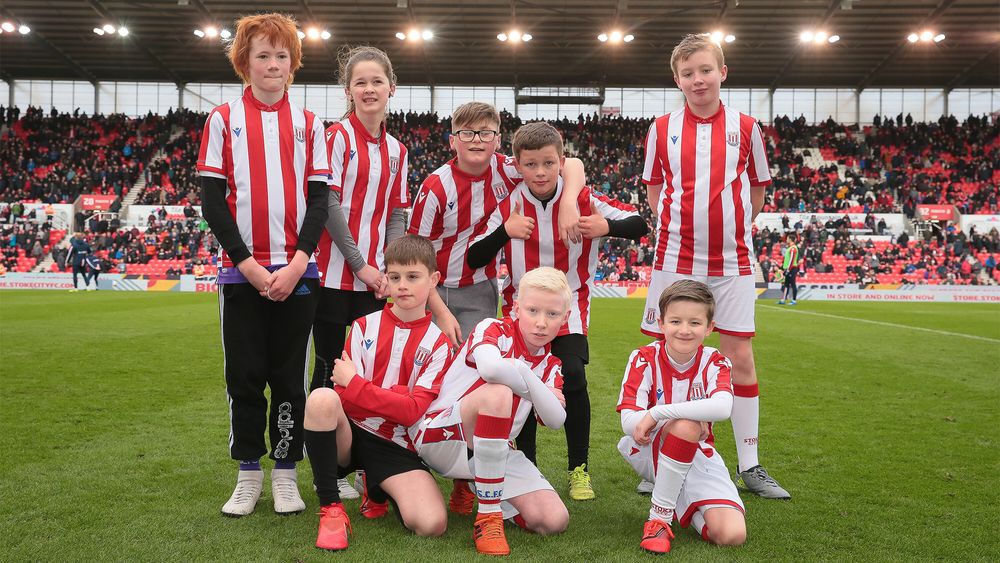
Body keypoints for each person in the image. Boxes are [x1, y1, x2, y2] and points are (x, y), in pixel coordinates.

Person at [639, 33, 789, 499]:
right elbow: (653, 189)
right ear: (677, 80)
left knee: (739, 356)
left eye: (705, 70)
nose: (697, 79)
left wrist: (734, 228)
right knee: (670, 357)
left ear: (722, 72)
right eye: (688, 73)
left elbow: (759, 189)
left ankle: (750, 464)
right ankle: (663, 460)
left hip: (734, 260)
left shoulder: (747, 127)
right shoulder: (661, 128)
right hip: (675, 258)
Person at [467, 122, 648, 501]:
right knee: (522, 382)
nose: (541, 172)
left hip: (570, 310)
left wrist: (606, 225)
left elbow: (639, 225)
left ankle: (578, 469)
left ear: (561, 161)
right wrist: (506, 232)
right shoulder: (510, 203)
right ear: (518, 165)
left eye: (549, 163)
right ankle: (528, 464)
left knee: (573, 377)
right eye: (531, 164)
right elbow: (474, 256)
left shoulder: (582, 197)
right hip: (522, 312)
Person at [196, 13, 330, 518]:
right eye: (262, 55)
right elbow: (213, 200)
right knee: (245, 375)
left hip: (298, 274)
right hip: (241, 274)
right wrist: (248, 265)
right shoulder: (221, 120)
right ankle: (248, 472)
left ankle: (286, 472)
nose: (273, 64)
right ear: (243, 61)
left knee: (290, 377)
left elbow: (319, 201)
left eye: (281, 55)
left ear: (293, 64)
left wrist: (298, 263)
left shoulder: (311, 124)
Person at [304, 234, 451, 551]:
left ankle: (378, 488)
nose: (402, 285)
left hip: (396, 444)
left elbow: (412, 412)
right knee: (321, 399)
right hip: (351, 433)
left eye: (413, 277)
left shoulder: (439, 344)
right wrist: (396, 396)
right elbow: (341, 398)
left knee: (432, 524)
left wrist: (359, 385)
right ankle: (331, 509)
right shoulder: (361, 327)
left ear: (434, 279)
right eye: (394, 276)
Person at [411, 267, 571, 556]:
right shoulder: (492, 328)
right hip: (441, 435)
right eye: (533, 310)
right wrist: (537, 388)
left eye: (552, 314)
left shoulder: (551, 364)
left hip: (494, 448)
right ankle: (488, 515)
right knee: (498, 392)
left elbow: (557, 420)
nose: (541, 323)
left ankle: (472, 483)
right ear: (516, 308)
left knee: (554, 520)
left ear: (565, 318)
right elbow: (491, 368)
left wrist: (522, 371)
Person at [310, 45, 410, 500]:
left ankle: (358, 468)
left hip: (375, 281)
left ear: (391, 87)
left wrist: (387, 267)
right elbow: (328, 205)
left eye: (376, 81)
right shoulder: (336, 138)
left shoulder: (397, 150)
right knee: (329, 373)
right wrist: (361, 264)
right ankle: (324, 471)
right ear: (348, 90)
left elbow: (394, 213)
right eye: (360, 82)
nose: (369, 89)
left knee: (368, 377)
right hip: (334, 278)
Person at [408, 101, 588, 348]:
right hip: (432, 290)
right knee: (426, 366)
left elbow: (573, 164)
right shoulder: (435, 187)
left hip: (480, 288)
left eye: (485, 133)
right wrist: (441, 312)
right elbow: (416, 256)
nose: (476, 140)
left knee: (472, 366)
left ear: (498, 140)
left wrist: (568, 203)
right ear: (452, 141)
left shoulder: (508, 169)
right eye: (467, 133)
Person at [617, 280, 746, 554]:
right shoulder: (643, 358)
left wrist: (657, 412)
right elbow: (629, 422)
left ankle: (677, 501)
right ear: (661, 323)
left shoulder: (716, 361)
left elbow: (723, 408)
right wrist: (673, 422)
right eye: (675, 321)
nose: (685, 330)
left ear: (710, 328)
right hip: (649, 448)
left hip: (699, 452)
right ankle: (658, 520)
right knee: (687, 426)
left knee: (731, 535)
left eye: (695, 323)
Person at [778, 233, 800, 305]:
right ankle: (783, 299)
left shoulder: (793, 248)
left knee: (793, 284)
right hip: (788, 268)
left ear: (790, 239)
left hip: (792, 268)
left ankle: (794, 300)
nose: (786, 240)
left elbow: (791, 259)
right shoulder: (790, 248)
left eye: (787, 238)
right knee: (786, 284)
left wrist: (788, 269)